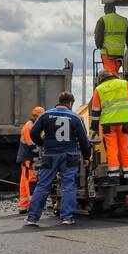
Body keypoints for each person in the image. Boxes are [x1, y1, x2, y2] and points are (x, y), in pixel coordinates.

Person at [25, 93, 90, 227]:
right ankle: (67, 217)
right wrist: (86, 157)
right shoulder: (76, 117)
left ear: (58, 101)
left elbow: (33, 134)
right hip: (69, 155)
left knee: (42, 185)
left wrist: (43, 143)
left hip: (50, 155)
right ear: (71, 103)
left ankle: (32, 217)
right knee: (68, 186)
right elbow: (84, 140)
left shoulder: (45, 115)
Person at [89, 71, 128, 185]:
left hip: (108, 125)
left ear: (101, 79)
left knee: (111, 150)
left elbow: (95, 112)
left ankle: (114, 178)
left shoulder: (99, 89)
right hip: (125, 123)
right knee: (125, 149)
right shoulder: (124, 84)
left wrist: (94, 129)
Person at [16, 106, 45, 214]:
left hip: (26, 158)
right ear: (36, 116)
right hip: (29, 159)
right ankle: (33, 205)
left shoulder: (30, 125)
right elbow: (32, 146)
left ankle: (23, 206)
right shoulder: (29, 127)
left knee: (24, 182)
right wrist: (42, 151)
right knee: (31, 181)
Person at [94, 6, 128, 75]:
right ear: (114, 10)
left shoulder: (103, 20)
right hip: (120, 53)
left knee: (110, 74)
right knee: (115, 72)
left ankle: (113, 84)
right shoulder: (124, 20)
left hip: (107, 53)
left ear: (105, 11)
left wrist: (99, 46)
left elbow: (98, 36)